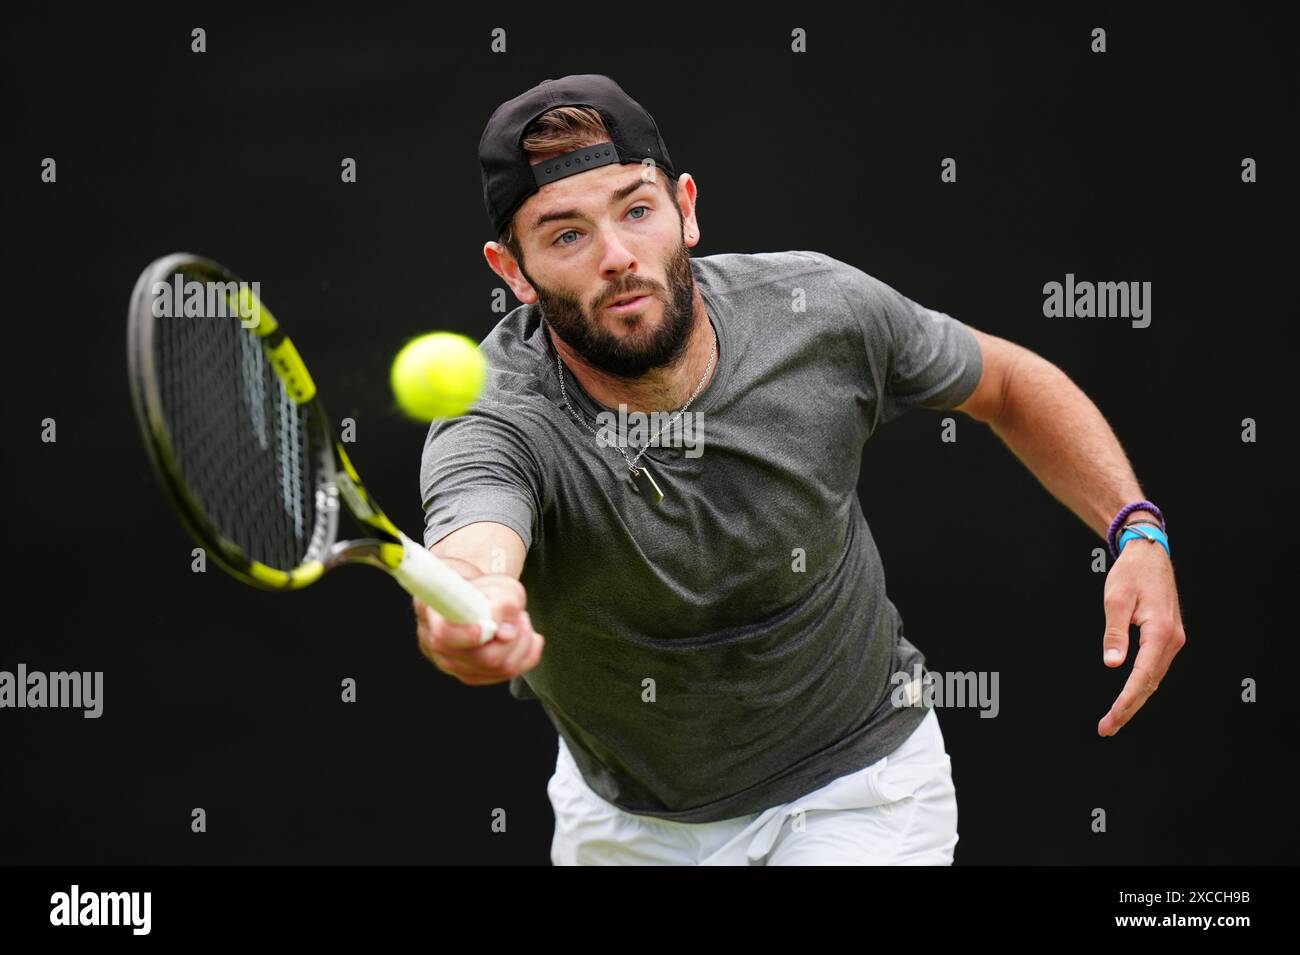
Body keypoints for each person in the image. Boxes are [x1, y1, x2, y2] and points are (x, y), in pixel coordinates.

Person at [413, 74, 1187, 865]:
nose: (617, 257)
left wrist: (1137, 529)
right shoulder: (496, 415)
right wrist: (468, 604)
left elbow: (1010, 384)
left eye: (636, 210)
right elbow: (475, 547)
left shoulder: (818, 309)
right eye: (566, 235)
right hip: (627, 820)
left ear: (685, 208)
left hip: (860, 788)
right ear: (512, 269)